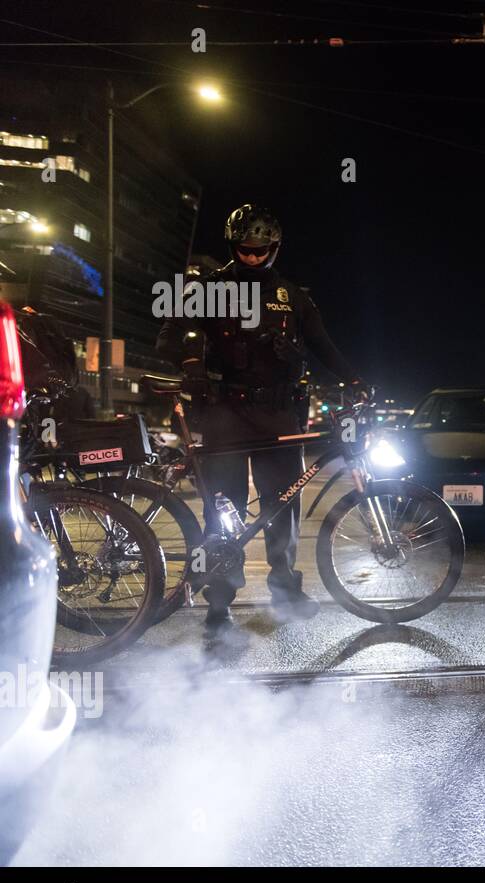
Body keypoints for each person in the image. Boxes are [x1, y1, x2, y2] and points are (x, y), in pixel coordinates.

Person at [158, 204, 368, 632]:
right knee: (223, 507)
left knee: (283, 506)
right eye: (244, 249)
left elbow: (323, 345)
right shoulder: (207, 288)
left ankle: (286, 588)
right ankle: (219, 599)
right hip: (224, 412)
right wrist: (192, 361)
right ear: (232, 246)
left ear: (275, 247)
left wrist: (354, 380)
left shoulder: (294, 296)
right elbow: (169, 336)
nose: (252, 257)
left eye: (261, 250)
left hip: (277, 412)